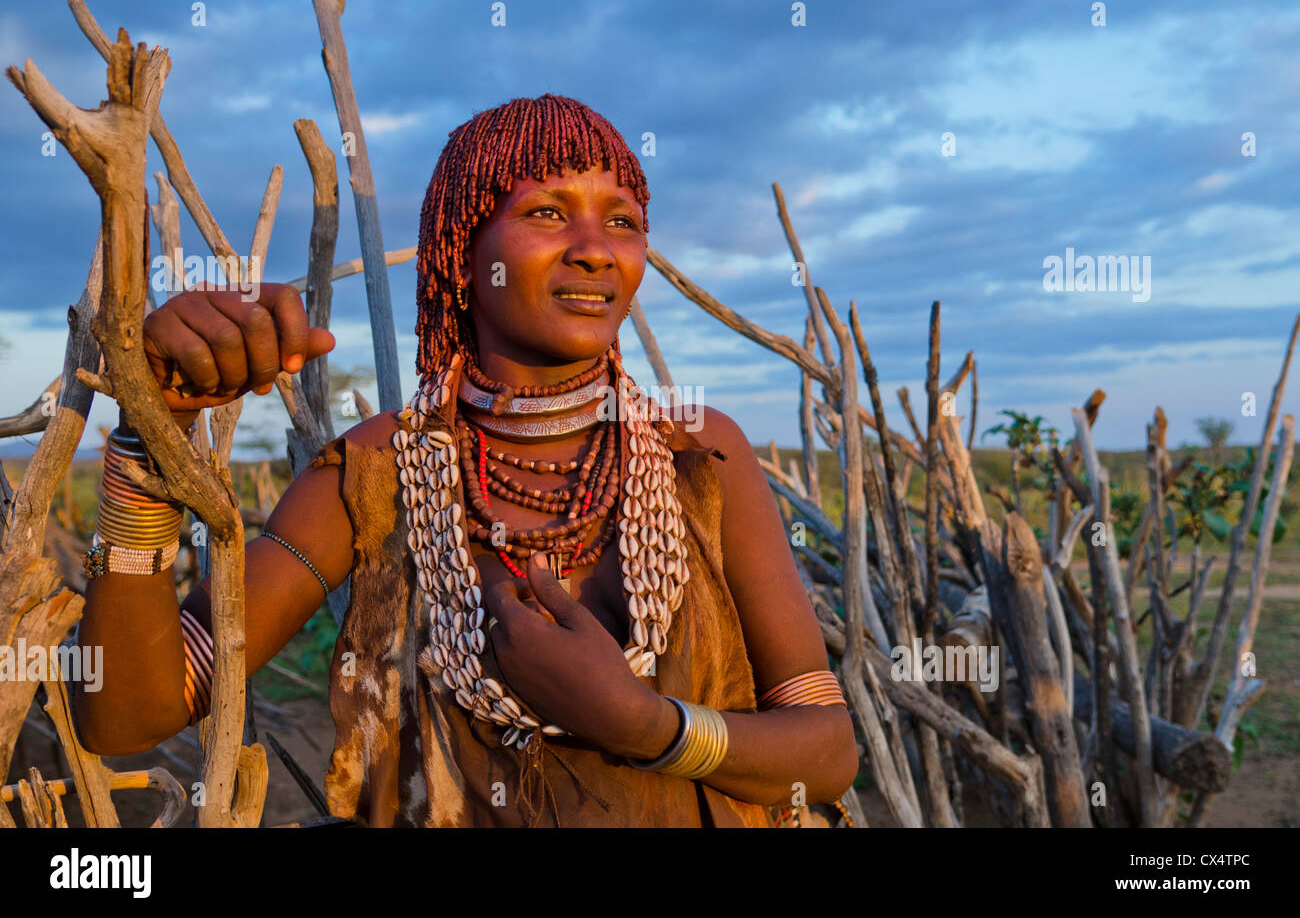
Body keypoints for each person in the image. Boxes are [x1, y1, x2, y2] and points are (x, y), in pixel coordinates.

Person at [73, 93, 858, 827]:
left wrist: (645, 724)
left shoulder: (701, 454)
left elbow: (825, 754)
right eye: (548, 212)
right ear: (461, 248)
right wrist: (151, 435)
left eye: (622, 221)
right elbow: (130, 712)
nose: (595, 250)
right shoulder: (377, 468)